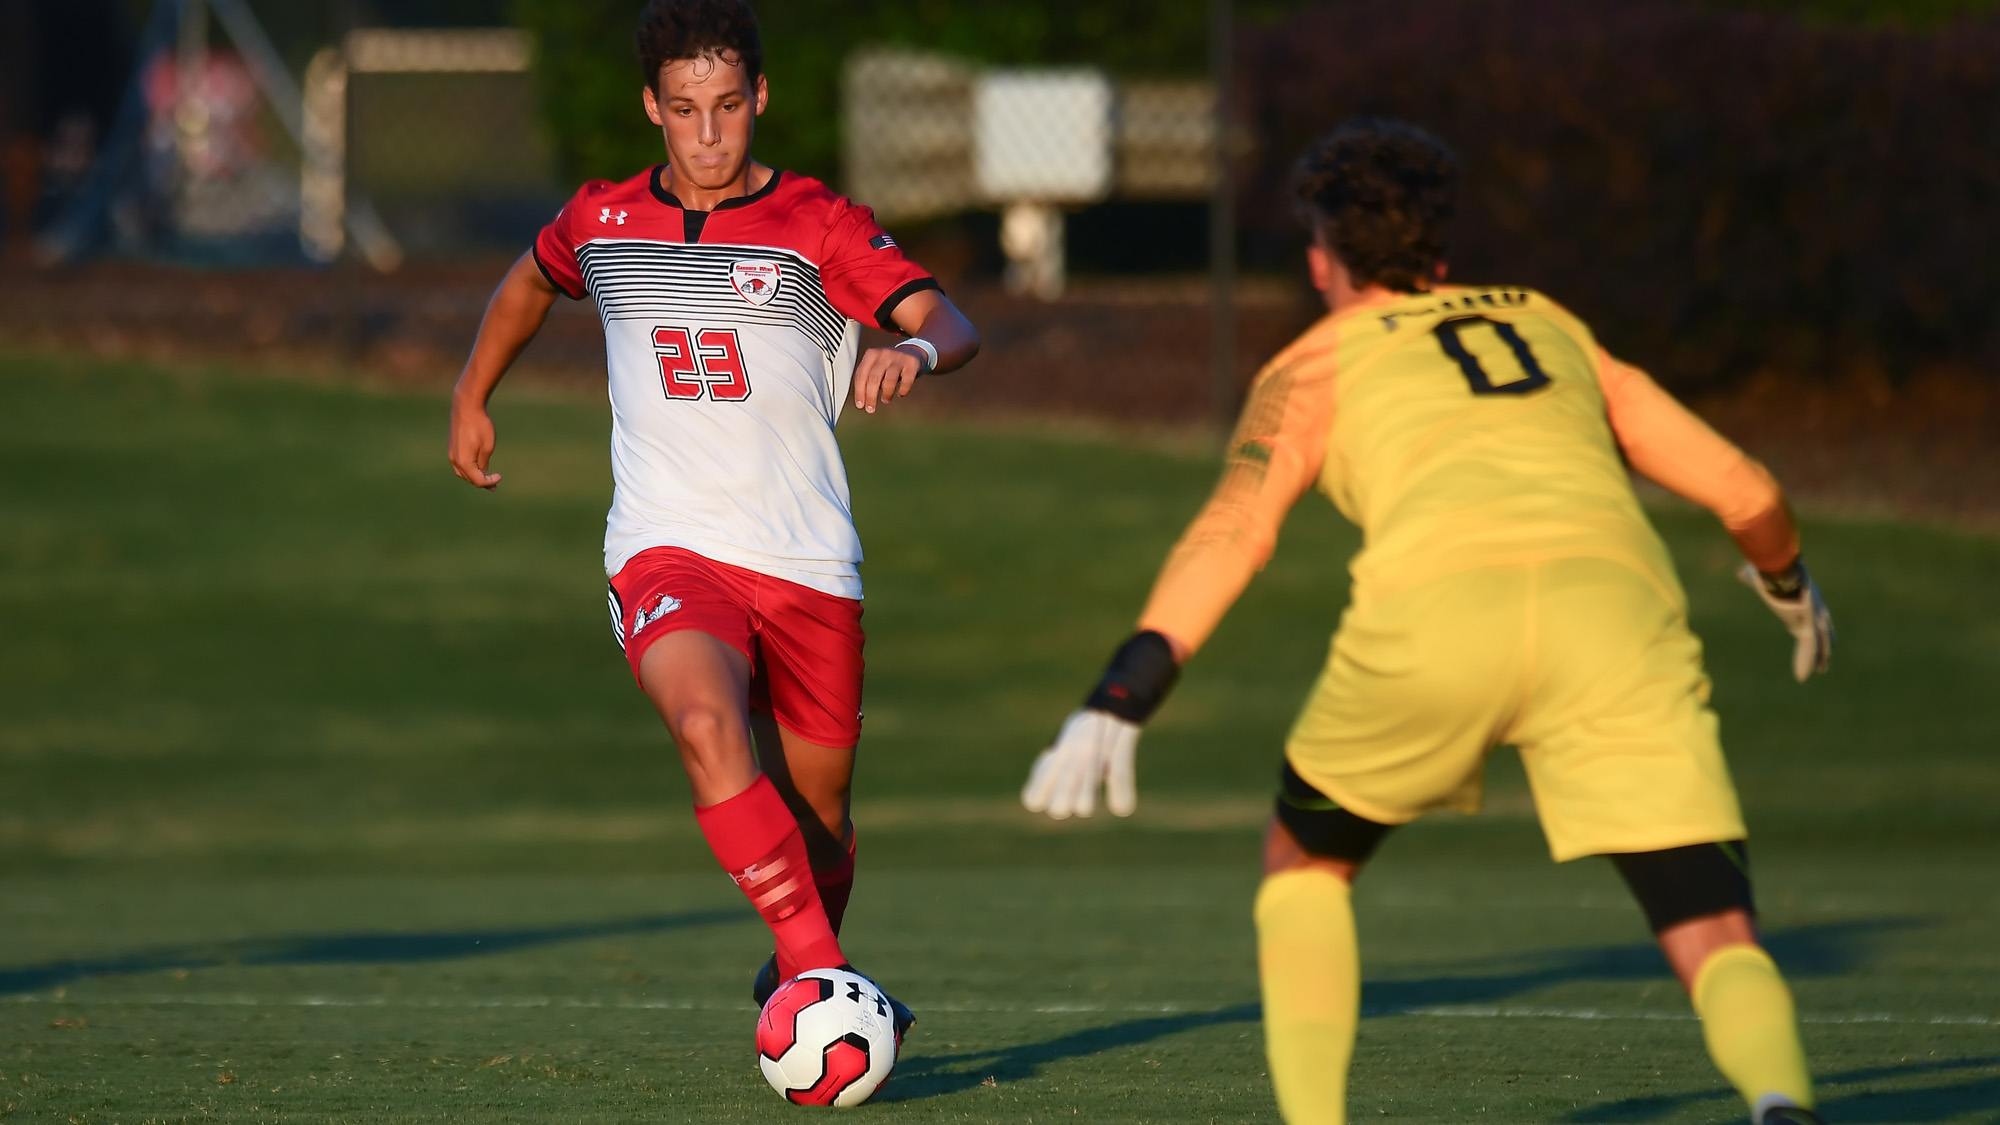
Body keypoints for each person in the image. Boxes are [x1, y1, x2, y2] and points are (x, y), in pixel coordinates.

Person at [1020, 117, 1833, 1125]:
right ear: (1439, 249)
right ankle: (1776, 1098)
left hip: (1436, 616)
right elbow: (1741, 487)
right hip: (1615, 615)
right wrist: (1785, 580)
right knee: (1709, 921)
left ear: (1321, 260)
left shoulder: (1308, 368)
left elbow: (1232, 533)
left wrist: (1125, 689)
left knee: (1305, 863)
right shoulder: (1546, 321)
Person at [448, 0, 978, 1038]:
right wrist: (473, 391)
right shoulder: (601, 220)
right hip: (666, 545)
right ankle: (827, 984)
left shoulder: (816, 221)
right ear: (652, 106)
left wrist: (908, 352)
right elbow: (528, 280)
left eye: (727, 106)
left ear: (759, 100)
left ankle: (800, 956)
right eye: (684, 108)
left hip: (806, 559)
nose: (706, 132)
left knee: (817, 826)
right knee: (705, 722)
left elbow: (947, 321)